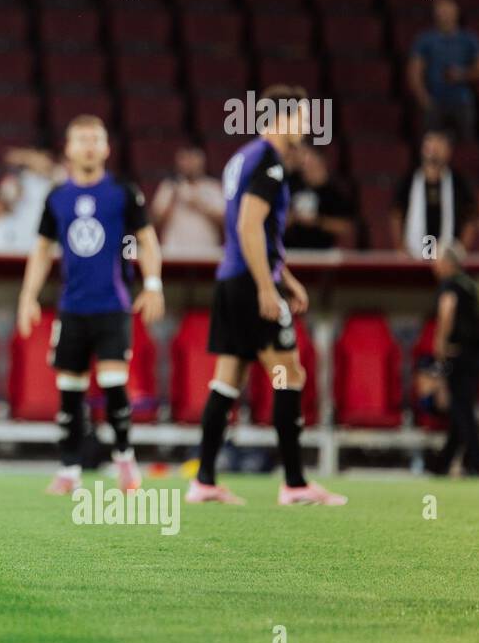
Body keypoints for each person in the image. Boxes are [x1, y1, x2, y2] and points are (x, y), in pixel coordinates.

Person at [190, 85, 346, 505]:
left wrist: (284, 275)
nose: (309, 125)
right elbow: (247, 227)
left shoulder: (243, 157)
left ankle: (203, 479)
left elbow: (252, 231)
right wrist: (266, 284)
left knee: (228, 381)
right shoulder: (270, 163)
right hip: (250, 283)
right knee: (289, 374)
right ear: (281, 119)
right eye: (302, 117)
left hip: (232, 279)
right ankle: (294, 484)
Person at [17, 116, 164, 495]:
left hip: (112, 306)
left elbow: (146, 240)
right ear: (67, 148)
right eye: (81, 139)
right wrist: (28, 296)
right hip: (72, 308)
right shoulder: (57, 197)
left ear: (106, 148)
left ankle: (125, 460)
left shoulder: (123, 192)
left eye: (95, 139)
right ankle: (69, 470)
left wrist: (152, 284)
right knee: (69, 393)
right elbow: (41, 250)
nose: (88, 145)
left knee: (115, 384)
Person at [429, 241, 479, 476]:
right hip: (474, 354)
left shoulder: (450, 285)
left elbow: (447, 312)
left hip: (456, 353)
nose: (434, 265)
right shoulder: (470, 285)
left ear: (448, 263)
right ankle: (443, 463)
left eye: (437, 260)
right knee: (461, 408)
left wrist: (439, 346)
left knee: (461, 409)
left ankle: (476, 461)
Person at [391, 131, 478, 258]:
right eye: (430, 143)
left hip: (448, 258)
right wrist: (400, 248)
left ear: (448, 151)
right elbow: (396, 214)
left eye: (440, 144)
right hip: (413, 254)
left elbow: (470, 218)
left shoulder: (458, 182)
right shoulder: (409, 180)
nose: (434, 149)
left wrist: (462, 250)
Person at [407, 0, 479, 143]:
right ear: (435, 14)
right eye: (441, 11)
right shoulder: (425, 40)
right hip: (434, 102)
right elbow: (414, 73)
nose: (445, 14)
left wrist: (463, 75)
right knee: (432, 146)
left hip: (462, 102)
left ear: (456, 12)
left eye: (448, 10)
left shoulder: (469, 39)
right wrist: (424, 100)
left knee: (466, 147)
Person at [150, 145, 224, 255]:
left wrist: (199, 203)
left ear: (202, 161)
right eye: (184, 159)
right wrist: (173, 199)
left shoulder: (213, 187)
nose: (189, 164)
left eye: (193, 159)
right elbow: (154, 219)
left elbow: (225, 219)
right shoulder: (168, 186)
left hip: (207, 251)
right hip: (174, 252)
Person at [283, 145, 357, 250]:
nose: (305, 163)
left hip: (323, 253)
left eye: (310, 158)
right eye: (302, 158)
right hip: (291, 251)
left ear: (321, 160)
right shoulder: (290, 185)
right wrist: (291, 218)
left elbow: (346, 226)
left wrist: (317, 221)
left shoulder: (335, 192)